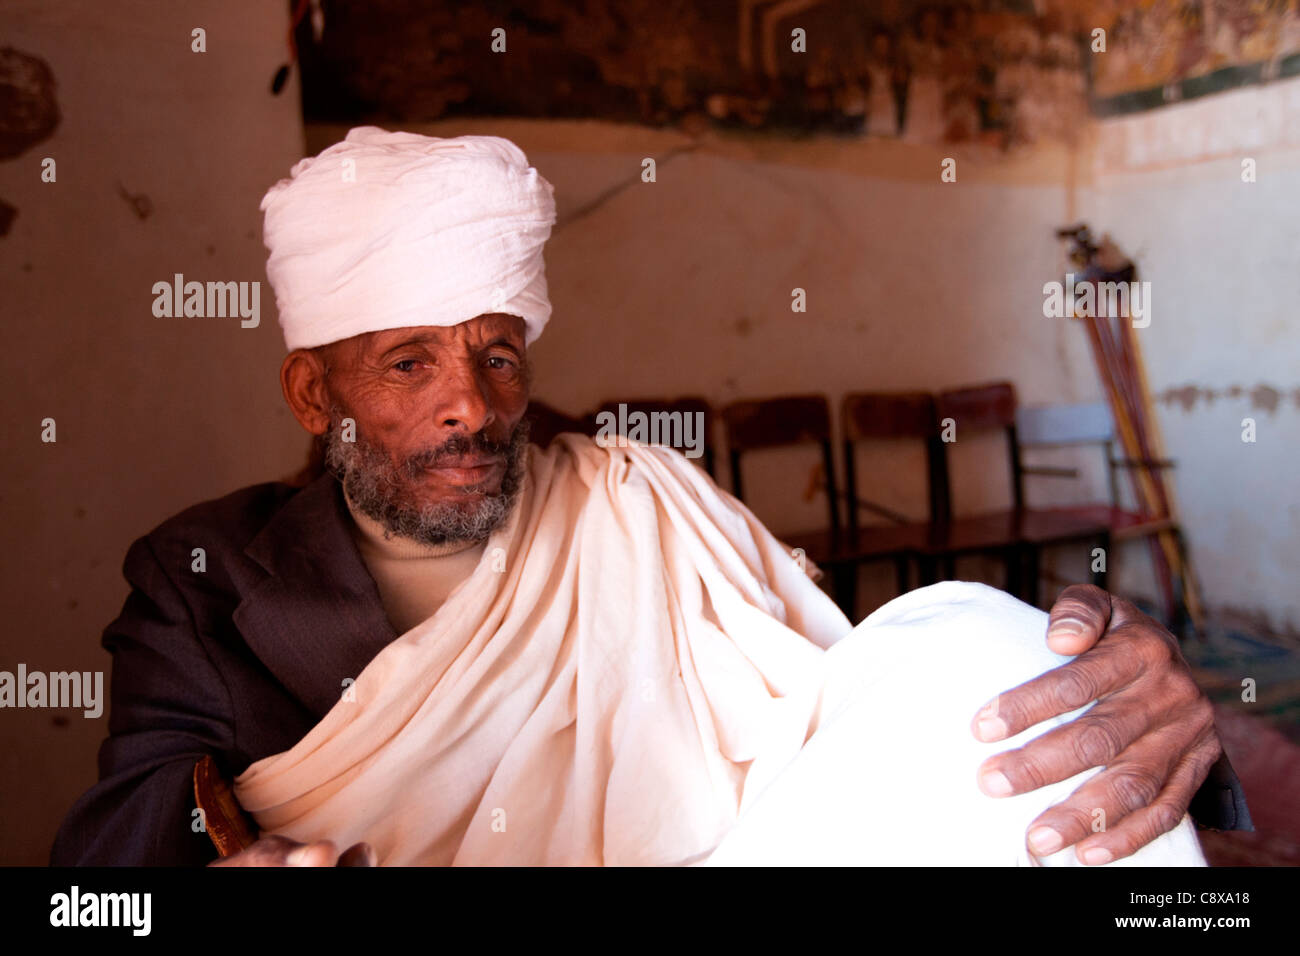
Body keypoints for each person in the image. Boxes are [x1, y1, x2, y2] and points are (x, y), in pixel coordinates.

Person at [51, 128, 1246, 867]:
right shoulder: (198, 572)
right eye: (409, 361)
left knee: (980, 637)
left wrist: (1076, 676)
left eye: (499, 354)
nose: (470, 402)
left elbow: (831, 700)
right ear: (314, 391)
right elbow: (95, 887)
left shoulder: (634, 496)